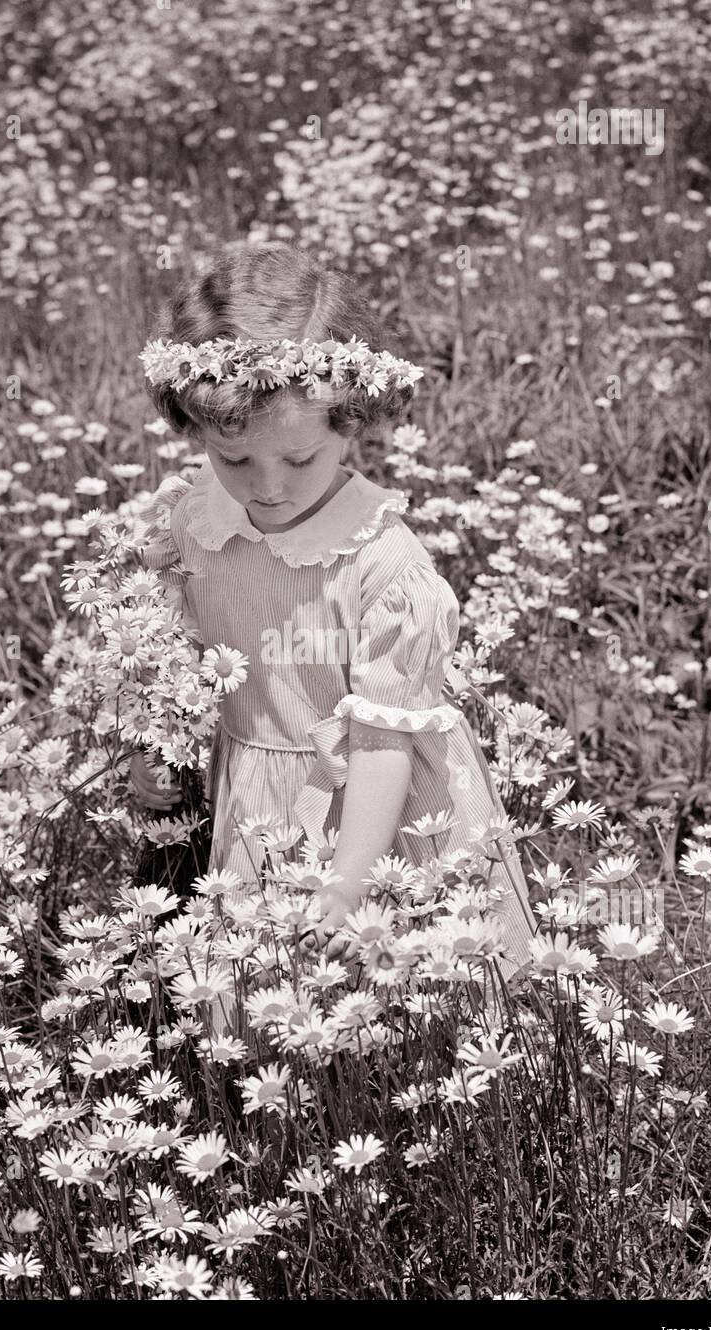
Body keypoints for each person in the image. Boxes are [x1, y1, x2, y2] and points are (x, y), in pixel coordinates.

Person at [133, 244, 534, 1008]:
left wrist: (348, 887)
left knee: (388, 1002)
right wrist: (156, 754)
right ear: (194, 429)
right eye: (234, 458)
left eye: (299, 457)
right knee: (263, 1006)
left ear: (353, 423)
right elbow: (174, 664)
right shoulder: (195, 525)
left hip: (366, 812)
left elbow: (383, 744)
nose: (268, 486)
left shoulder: (383, 563)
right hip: (249, 798)